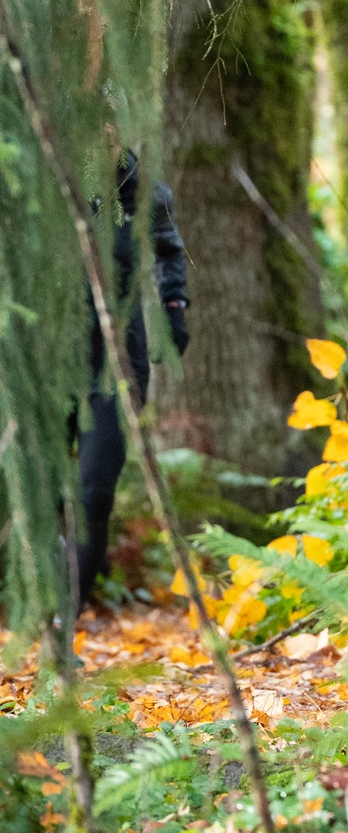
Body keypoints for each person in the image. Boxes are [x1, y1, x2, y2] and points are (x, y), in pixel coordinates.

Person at [73, 152, 190, 607]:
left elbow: (166, 245)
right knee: (41, 498)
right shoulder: (38, 167)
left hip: (116, 356)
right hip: (45, 357)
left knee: (95, 491)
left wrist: (173, 306)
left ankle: (64, 629)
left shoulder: (140, 187)